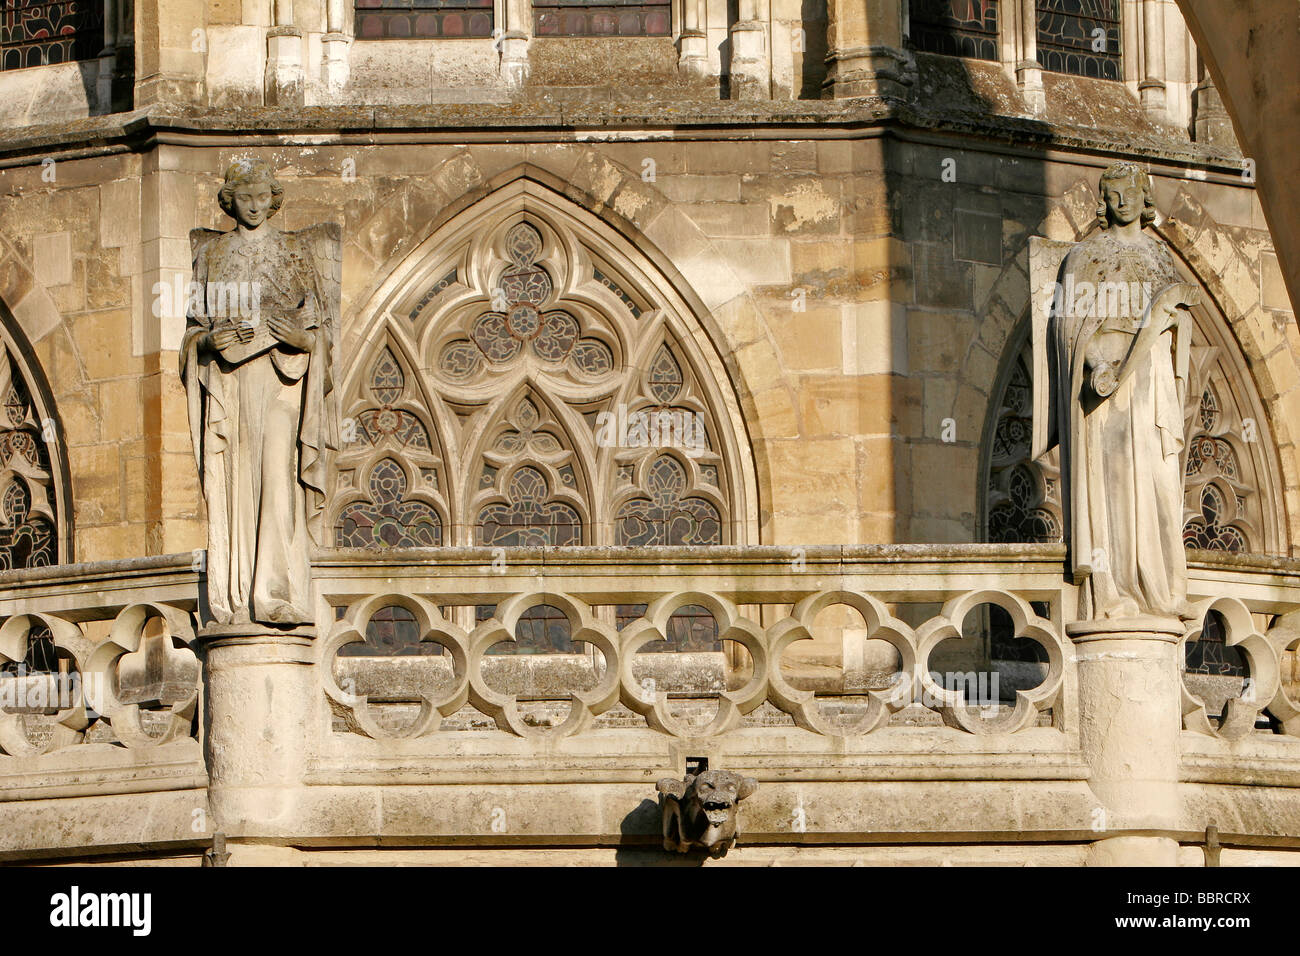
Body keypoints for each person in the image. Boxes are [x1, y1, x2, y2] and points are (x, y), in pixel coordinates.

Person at [1035, 162, 1198, 622]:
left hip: (1150, 376)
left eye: (1129, 190)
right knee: (1112, 481)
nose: (1121, 199)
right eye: (1111, 192)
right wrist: (1094, 365)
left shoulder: (1159, 257)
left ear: (1144, 196)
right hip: (1104, 386)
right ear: (1104, 201)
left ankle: (1159, 586)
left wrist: (1171, 323)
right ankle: (1109, 591)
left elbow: (1177, 316)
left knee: (1157, 479)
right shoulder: (1086, 255)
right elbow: (1068, 325)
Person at [181, 159, 337, 626]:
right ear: (229, 201)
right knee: (235, 478)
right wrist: (208, 342)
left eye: (261, 196)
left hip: (283, 377)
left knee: (276, 471)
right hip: (230, 382)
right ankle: (239, 589)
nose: (253, 206)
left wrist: (305, 342)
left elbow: (319, 328)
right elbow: (193, 332)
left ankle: (274, 587)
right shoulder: (212, 255)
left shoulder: (294, 251)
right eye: (243, 197)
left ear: (274, 199)